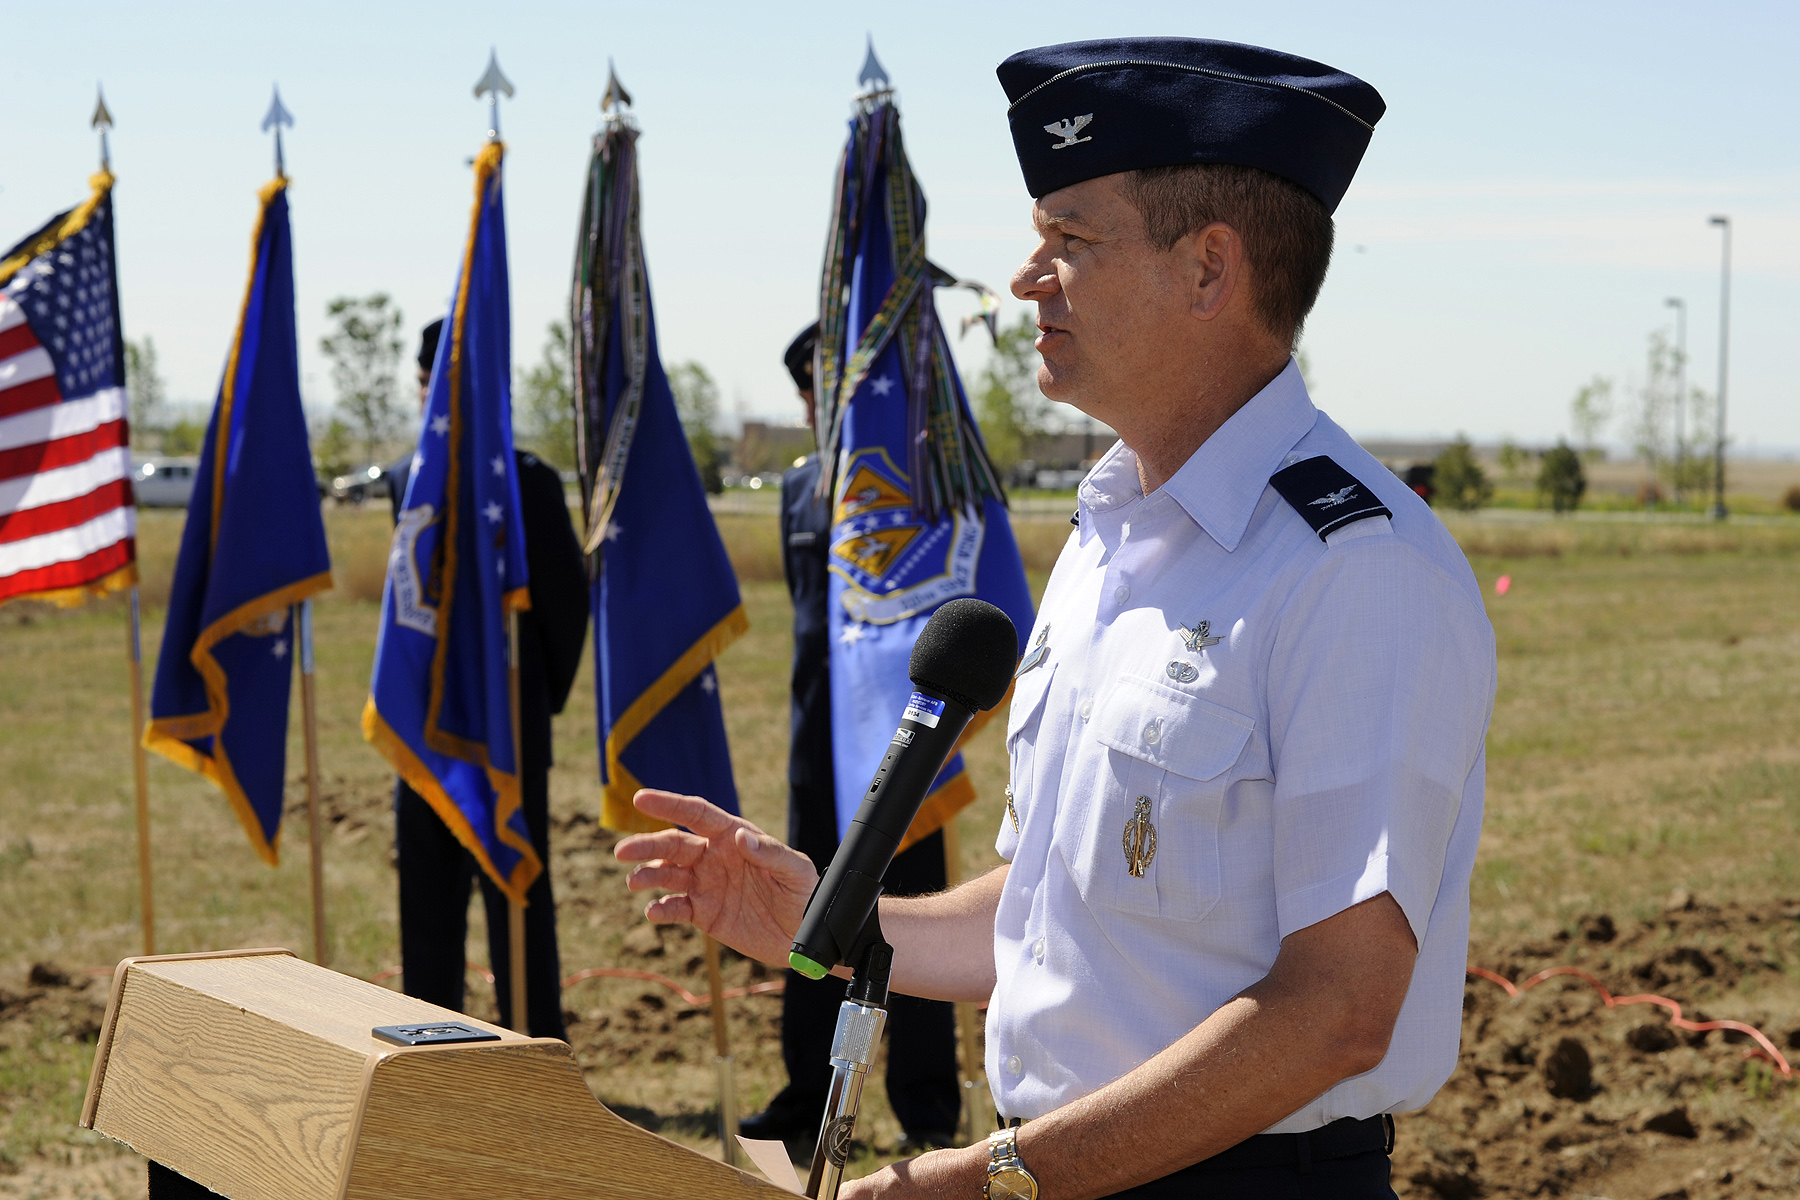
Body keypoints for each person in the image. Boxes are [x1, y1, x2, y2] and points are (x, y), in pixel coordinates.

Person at [617, 38, 1496, 1200]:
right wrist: (838, 921)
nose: (1028, 279)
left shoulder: (1355, 570)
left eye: (1071, 240)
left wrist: (997, 1179)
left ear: (1209, 269)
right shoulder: (1110, 534)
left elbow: (1337, 1009)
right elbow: (1058, 912)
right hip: (1059, 1167)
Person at [736, 324, 960, 1154]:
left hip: (901, 741)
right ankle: (807, 1092)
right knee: (811, 915)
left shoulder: (911, 484)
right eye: (804, 393)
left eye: (822, 389)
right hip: (816, 742)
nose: (811, 406)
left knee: (918, 915)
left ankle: (927, 1109)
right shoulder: (801, 487)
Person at [388, 317, 590, 1038]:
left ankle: (533, 1053)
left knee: (518, 903)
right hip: (422, 727)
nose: (430, 397)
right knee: (426, 905)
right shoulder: (407, 481)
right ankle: (428, 1056)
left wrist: (534, 703)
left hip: (507, 729)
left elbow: (567, 605)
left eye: (441, 384)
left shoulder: (527, 482)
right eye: (424, 384)